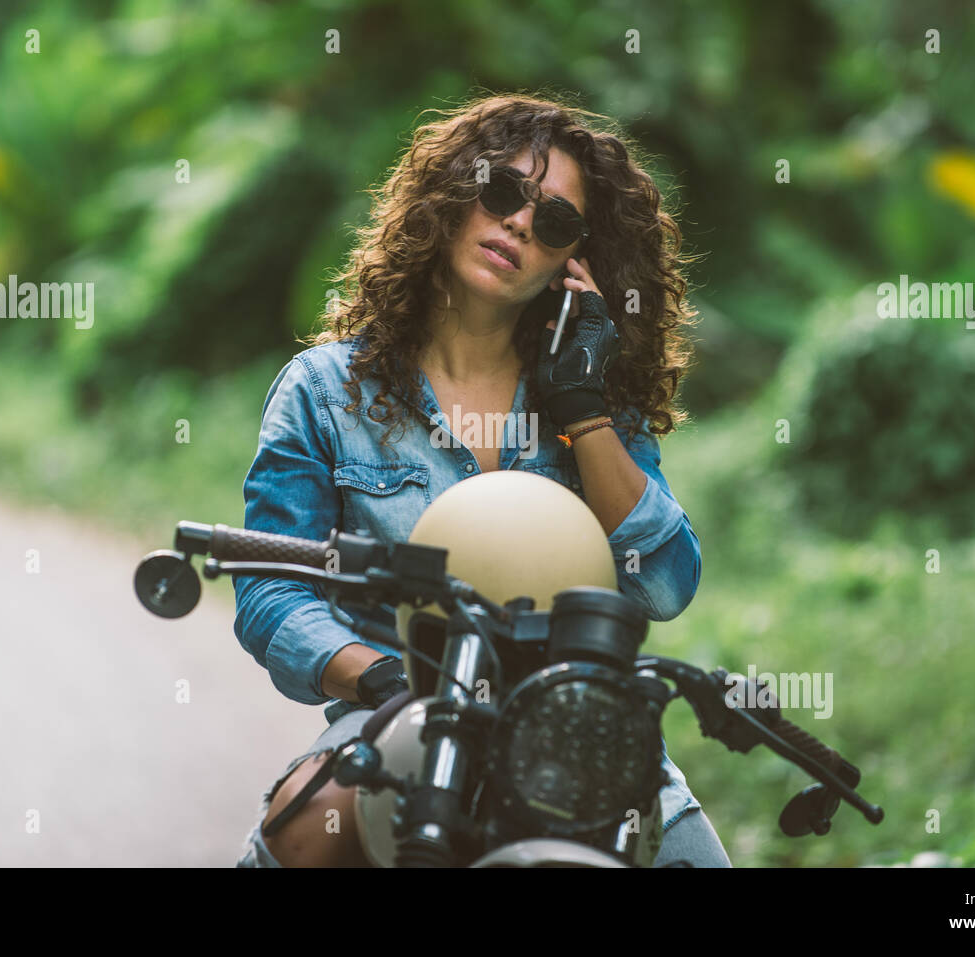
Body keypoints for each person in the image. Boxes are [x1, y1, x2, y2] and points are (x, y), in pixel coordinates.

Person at [232, 92, 730, 867]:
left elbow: (663, 586)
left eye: (556, 221)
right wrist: (390, 680)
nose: (522, 223)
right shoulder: (324, 389)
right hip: (397, 714)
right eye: (503, 192)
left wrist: (584, 409)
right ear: (453, 196)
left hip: (572, 728)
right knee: (305, 828)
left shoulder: (591, 399)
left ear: (575, 262)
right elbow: (272, 590)